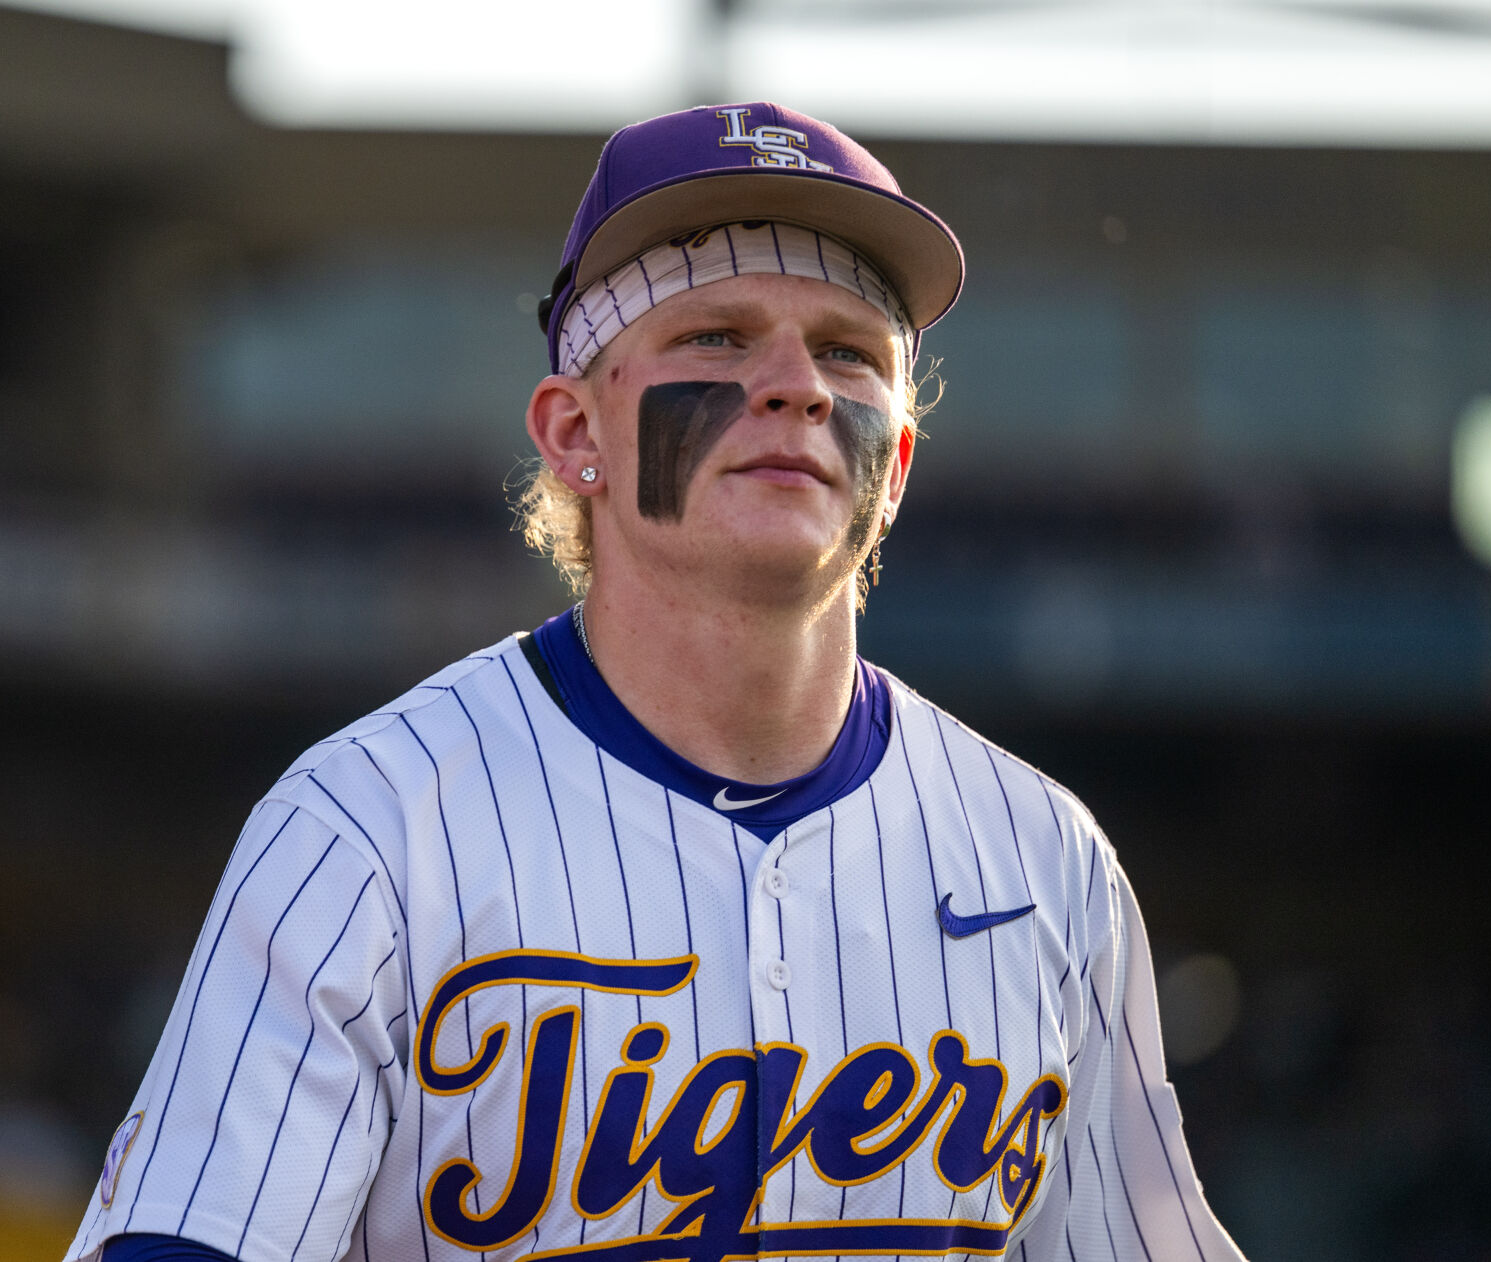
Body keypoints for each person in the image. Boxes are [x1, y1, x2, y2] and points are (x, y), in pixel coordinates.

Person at [65, 103, 1246, 1262]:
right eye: (717, 336)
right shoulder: (365, 827)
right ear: (575, 431)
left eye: (847, 350)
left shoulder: (1044, 859)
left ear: (894, 465)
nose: (797, 384)